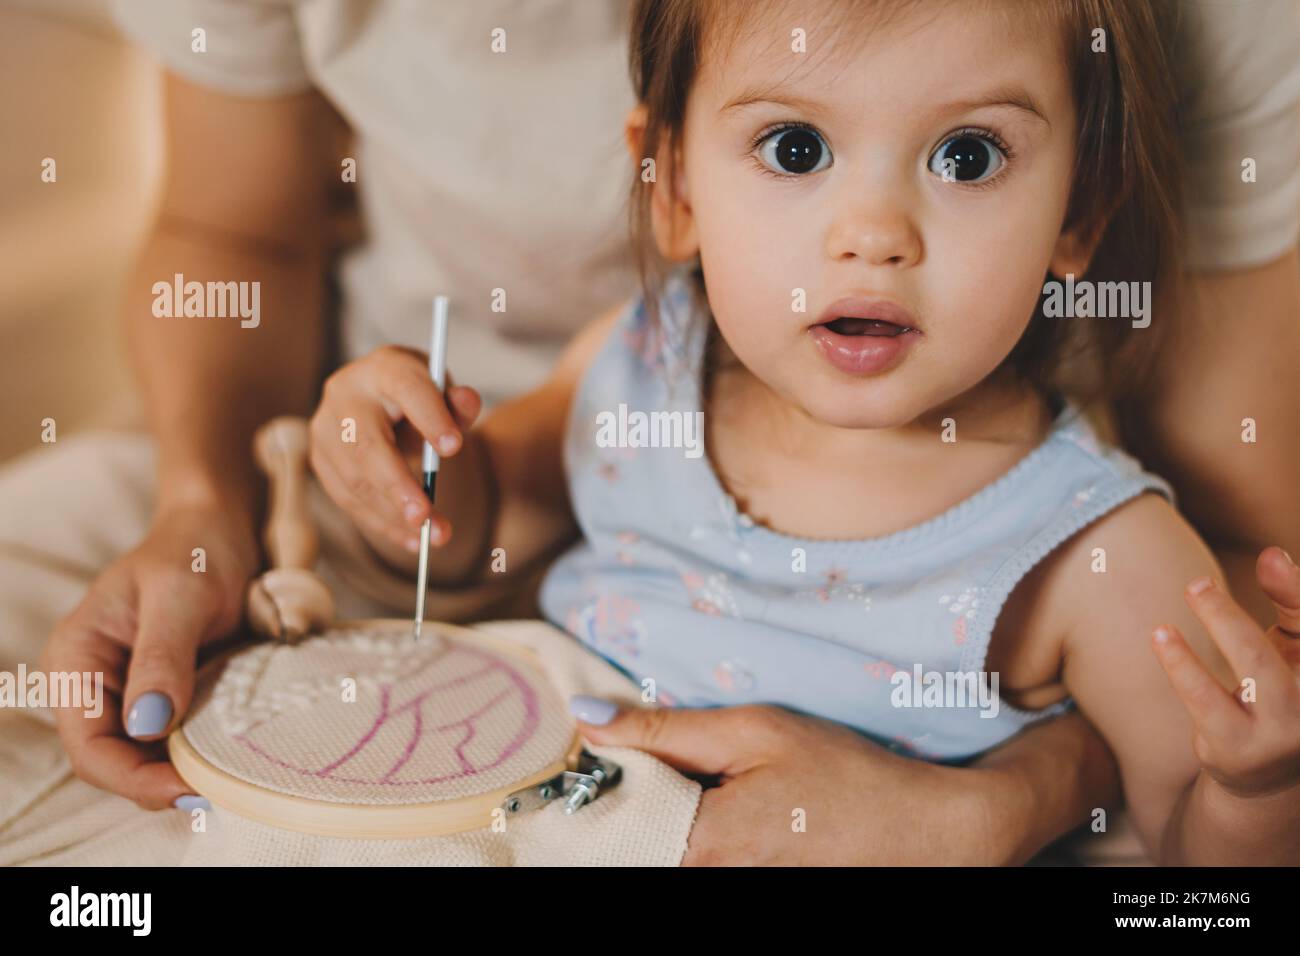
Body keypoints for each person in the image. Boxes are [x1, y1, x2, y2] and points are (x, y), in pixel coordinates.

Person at [14, 0, 1296, 864]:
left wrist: (1251, 785)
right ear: (673, 186)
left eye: (966, 159)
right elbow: (480, 535)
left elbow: (1187, 835)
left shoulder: (1095, 547)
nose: (874, 230)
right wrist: (407, 458)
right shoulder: (638, 364)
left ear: (1079, 220)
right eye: (794, 146)